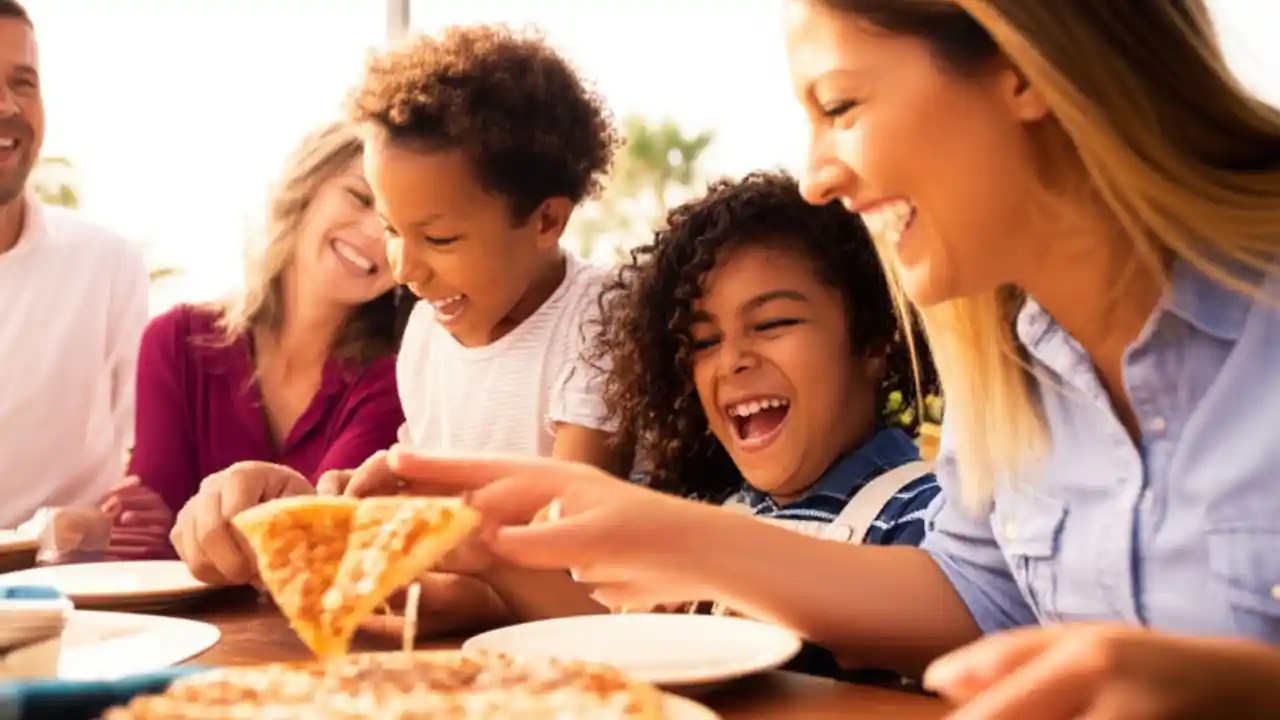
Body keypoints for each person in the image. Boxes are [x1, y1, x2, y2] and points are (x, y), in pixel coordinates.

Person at [362, 1, 1280, 717]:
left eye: (840, 106)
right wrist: (645, 531)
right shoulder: (1008, 357)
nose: (817, 175)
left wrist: (1238, 691)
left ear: (1021, 66)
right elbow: (971, 598)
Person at [119, 121, 407, 573]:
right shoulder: (174, 341)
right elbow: (149, 542)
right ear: (306, 189)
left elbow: (321, 542)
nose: (374, 232)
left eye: (395, 225)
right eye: (359, 197)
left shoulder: (395, 377)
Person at [0, 0, 148, 530]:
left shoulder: (104, 265)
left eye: (23, 83)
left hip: (65, 574)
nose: (6, 105)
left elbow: (145, 469)